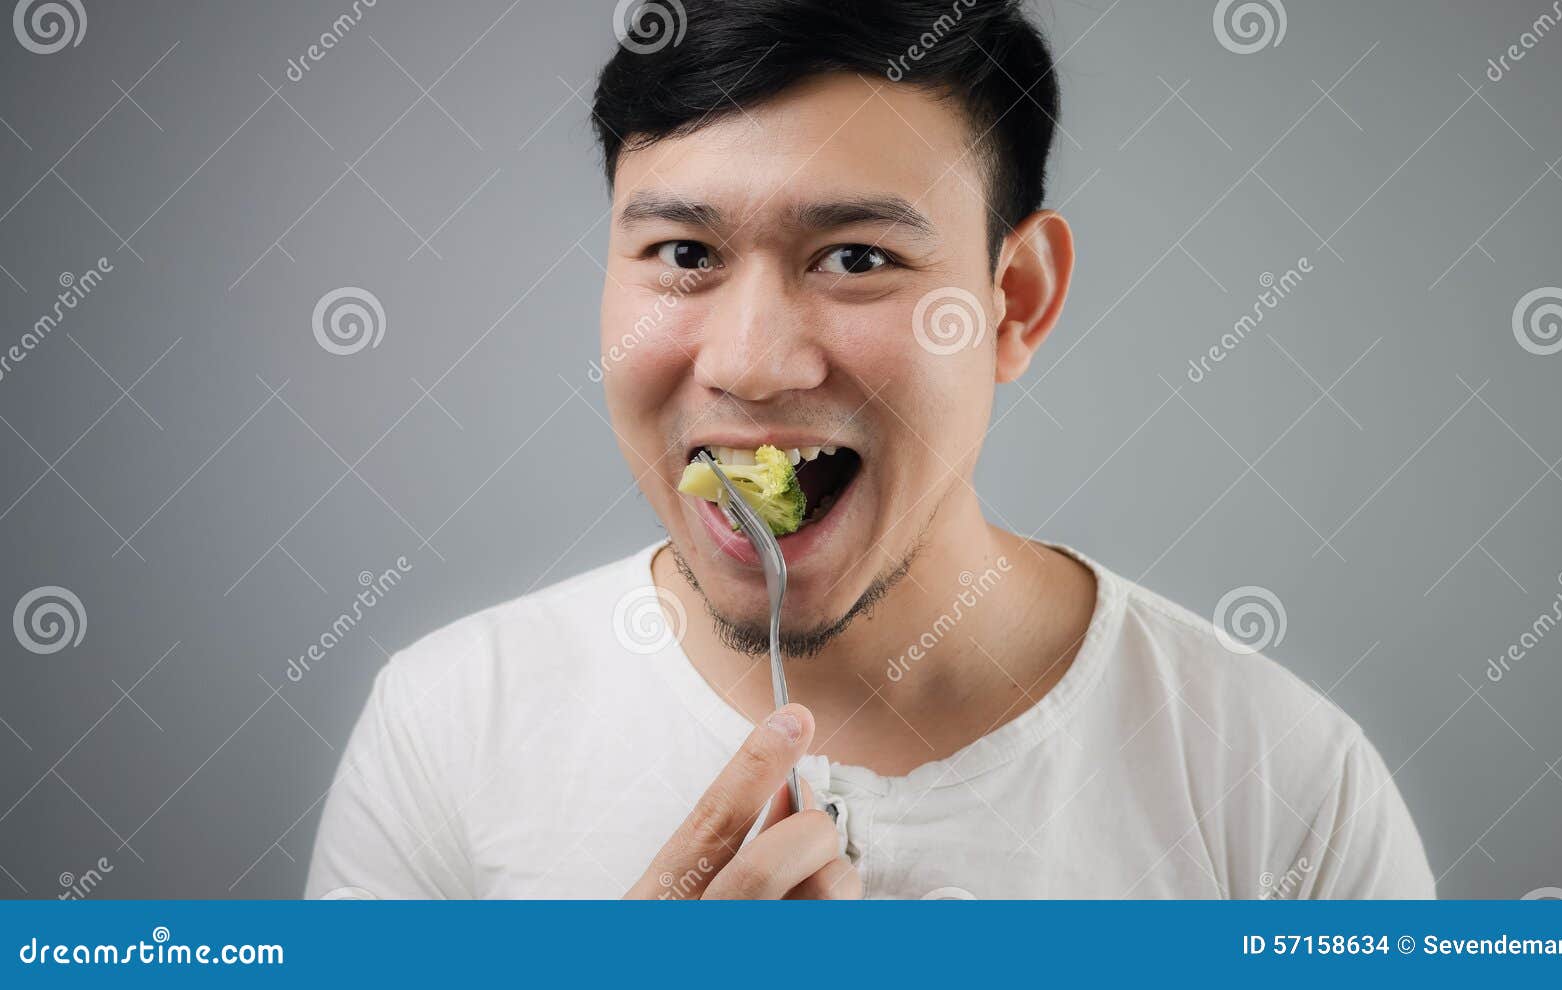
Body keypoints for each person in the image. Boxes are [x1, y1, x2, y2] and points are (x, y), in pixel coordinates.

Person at [306, 0, 1433, 899]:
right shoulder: (449, 726)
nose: (749, 364)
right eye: (682, 250)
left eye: (854, 259)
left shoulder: (1278, 783)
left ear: (1016, 303)